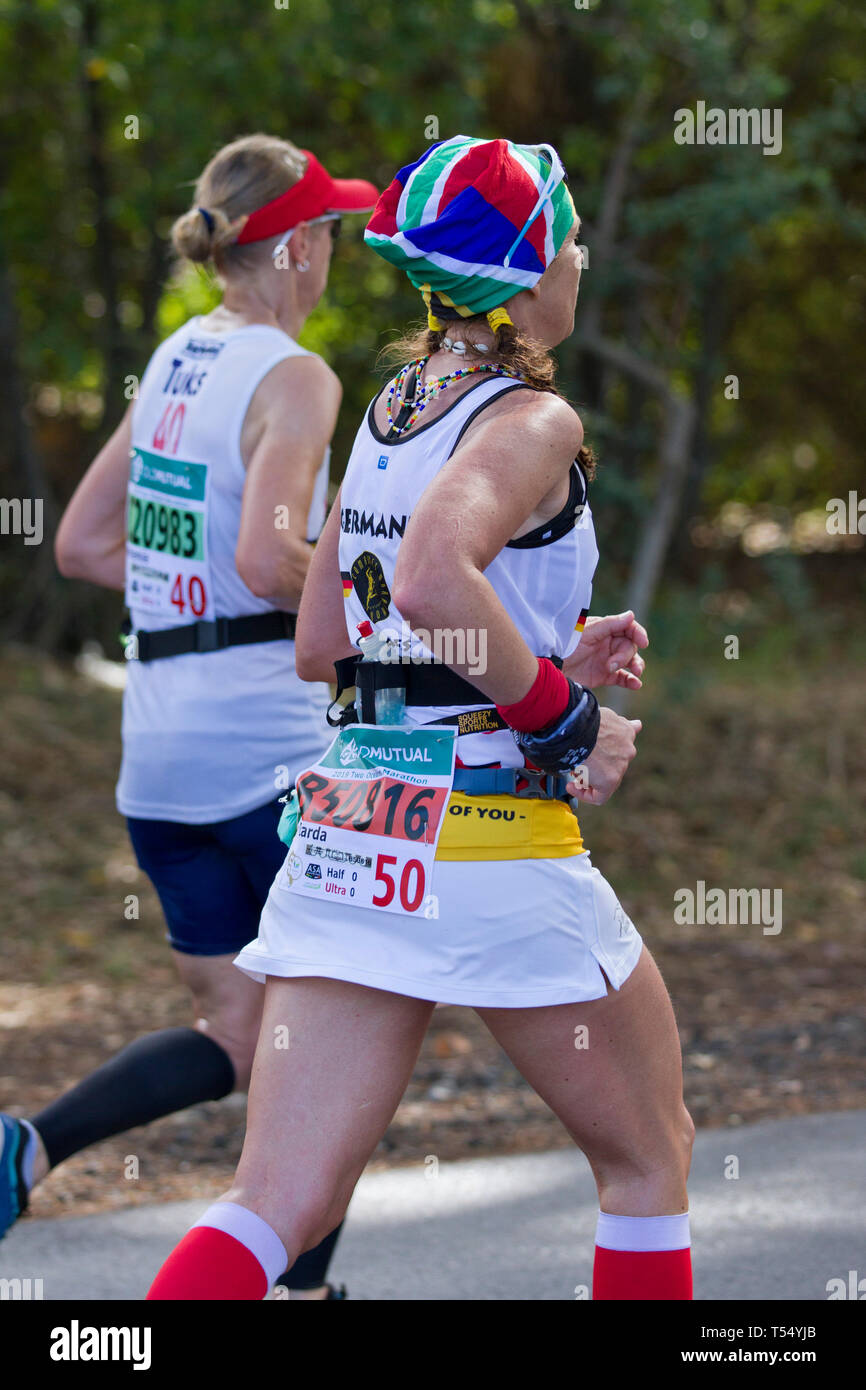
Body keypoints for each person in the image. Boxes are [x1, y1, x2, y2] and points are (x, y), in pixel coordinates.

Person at [147, 135, 694, 1302]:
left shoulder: (390, 408)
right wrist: (560, 718)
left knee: (272, 1203)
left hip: (355, 830)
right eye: (572, 242)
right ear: (531, 271)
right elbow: (440, 581)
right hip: (486, 831)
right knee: (649, 1161)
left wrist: (543, 648)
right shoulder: (532, 420)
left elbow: (325, 640)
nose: (584, 260)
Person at [0, 134, 378, 1299]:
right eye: (333, 235)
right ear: (301, 244)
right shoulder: (294, 374)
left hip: (159, 765)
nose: (336, 255)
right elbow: (272, 562)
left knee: (240, 1034)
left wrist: (186, 600)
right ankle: (300, 1288)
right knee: (332, 1040)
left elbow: (79, 544)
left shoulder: (176, 357)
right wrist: (381, 606)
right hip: (268, 758)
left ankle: (28, 1146)